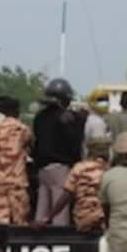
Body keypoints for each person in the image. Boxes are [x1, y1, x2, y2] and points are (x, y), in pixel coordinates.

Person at [33, 79, 84, 225]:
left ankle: (37, 237)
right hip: (60, 168)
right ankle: (58, 240)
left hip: (42, 169)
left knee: (41, 209)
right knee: (59, 211)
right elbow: (74, 143)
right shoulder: (67, 117)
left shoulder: (39, 117)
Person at [36, 136, 111, 232]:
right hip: (105, 220)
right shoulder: (110, 171)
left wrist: (49, 217)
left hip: (83, 219)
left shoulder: (79, 168)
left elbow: (66, 195)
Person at [0, 96, 33, 225]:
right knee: (19, 222)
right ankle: (16, 246)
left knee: (1, 221)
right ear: (15, 111)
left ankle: (2, 244)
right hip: (16, 180)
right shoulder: (22, 129)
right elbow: (30, 145)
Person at [83, 89, 111, 154]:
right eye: (100, 101)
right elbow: (99, 148)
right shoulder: (97, 122)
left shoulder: (91, 119)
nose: (104, 104)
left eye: (106, 100)